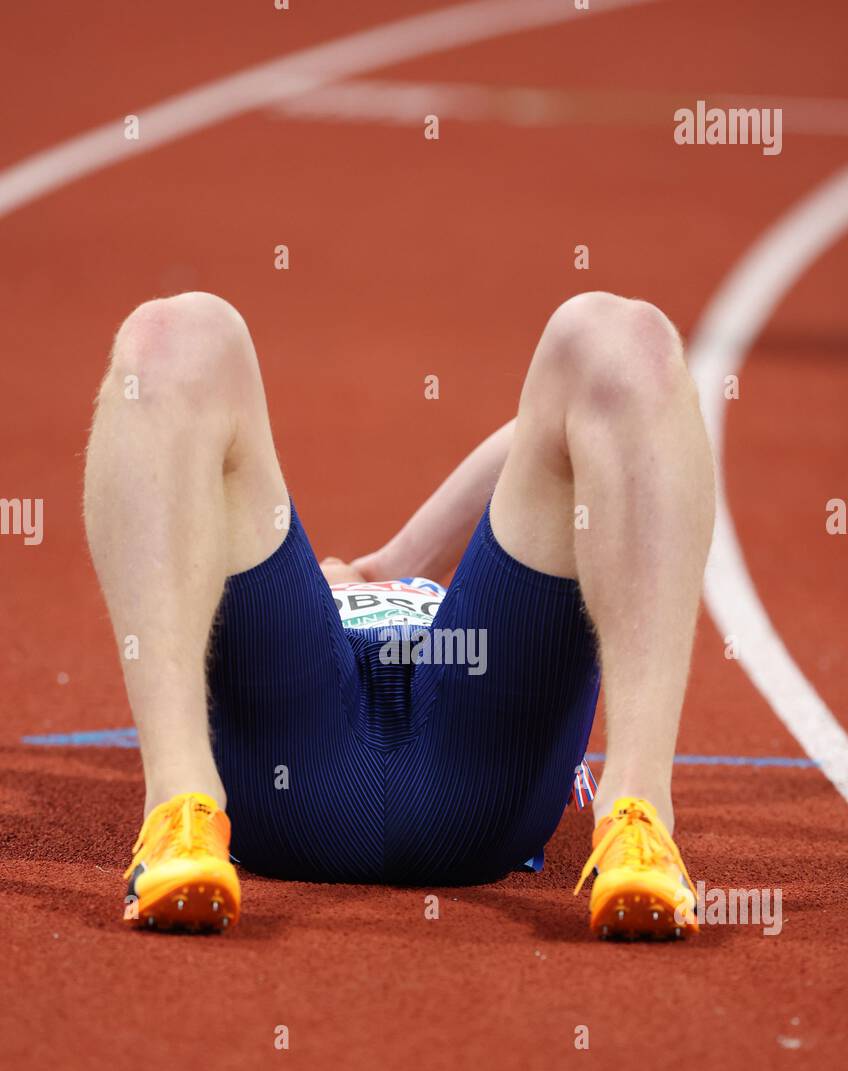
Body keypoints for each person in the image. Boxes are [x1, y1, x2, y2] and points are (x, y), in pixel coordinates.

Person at [83, 290, 714, 939]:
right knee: (176, 333)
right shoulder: (306, 605)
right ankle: (179, 811)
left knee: (618, 340)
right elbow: (542, 432)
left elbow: (566, 422)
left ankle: (637, 815)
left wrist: (393, 562)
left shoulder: (398, 585)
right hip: (289, 746)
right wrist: (380, 569)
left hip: (483, 757)